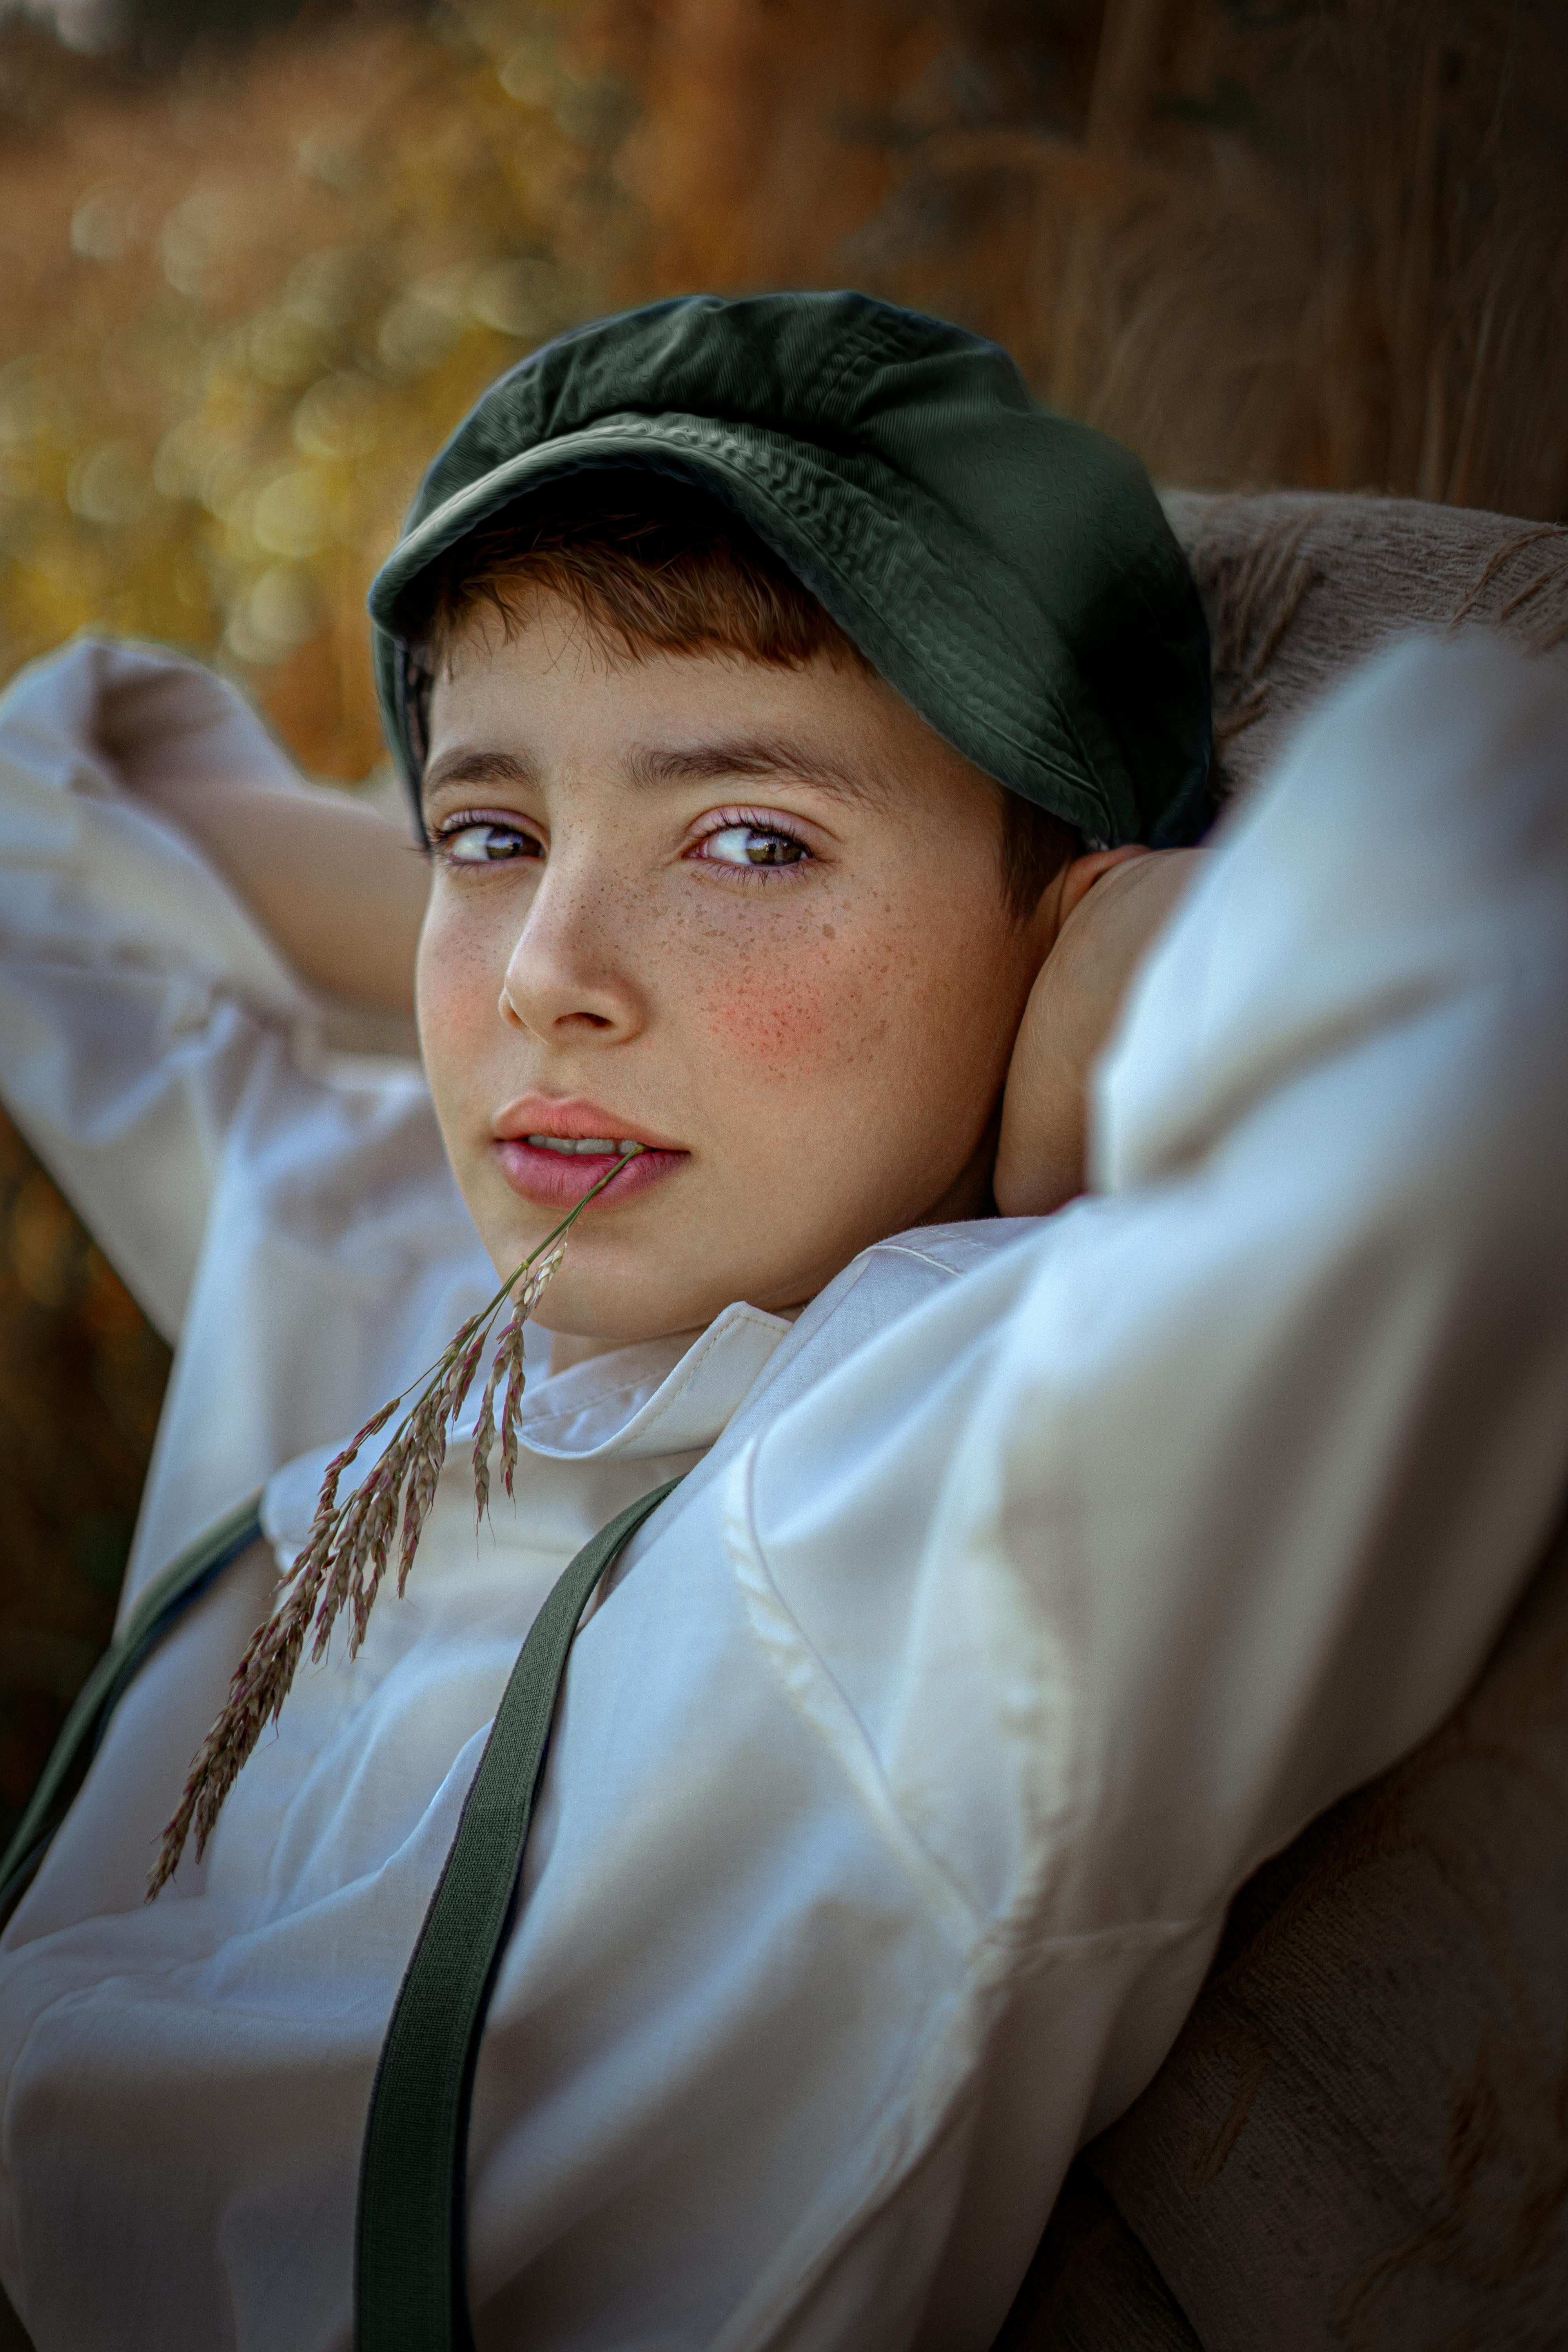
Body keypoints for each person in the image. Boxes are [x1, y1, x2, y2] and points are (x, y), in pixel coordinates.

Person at [0, 290, 1566, 2352]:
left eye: (754, 840)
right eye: (487, 833)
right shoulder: (399, 1263)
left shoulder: (950, 1500)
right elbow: (43, 836)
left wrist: (1126, 965)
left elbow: (1504, 983)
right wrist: (541, 889)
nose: (550, 974)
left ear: (1054, 909)